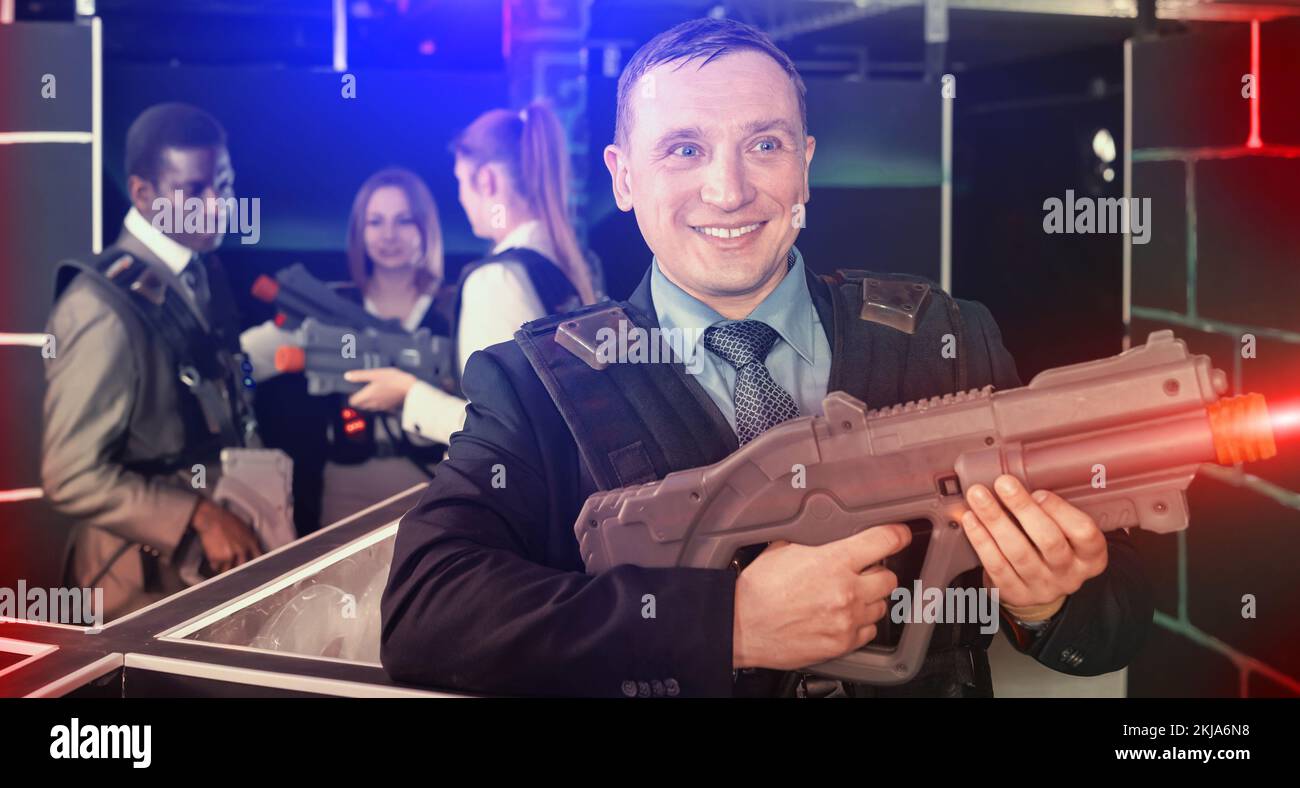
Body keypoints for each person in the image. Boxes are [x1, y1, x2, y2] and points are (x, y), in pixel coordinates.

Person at [380, 19, 1153, 697]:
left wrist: (1045, 601)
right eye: (684, 149)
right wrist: (729, 625)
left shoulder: (946, 339)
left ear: (805, 163)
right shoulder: (536, 386)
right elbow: (424, 612)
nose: (729, 189)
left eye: (765, 144)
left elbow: (1113, 629)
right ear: (622, 177)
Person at [42, 103, 262, 619]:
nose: (217, 206)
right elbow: (69, 475)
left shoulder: (200, 270)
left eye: (225, 185)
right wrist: (198, 516)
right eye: (195, 191)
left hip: (200, 569)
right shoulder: (101, 307)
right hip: (136, 584)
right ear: (143, 194)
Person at [343, 101, 599, 446]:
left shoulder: (495, 281)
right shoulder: (562, 266)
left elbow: (502, 431)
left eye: (461, 181)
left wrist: (409, 394)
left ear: (487, 180)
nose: (461, 197)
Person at [240, 167, 449, 527]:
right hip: (347, 487)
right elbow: (246, 357)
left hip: (433, 486)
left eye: (404, 220)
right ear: (359, 231)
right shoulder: (332, 305)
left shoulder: (452, 308)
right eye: (375, 221)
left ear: (425, 228)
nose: (388, 235)